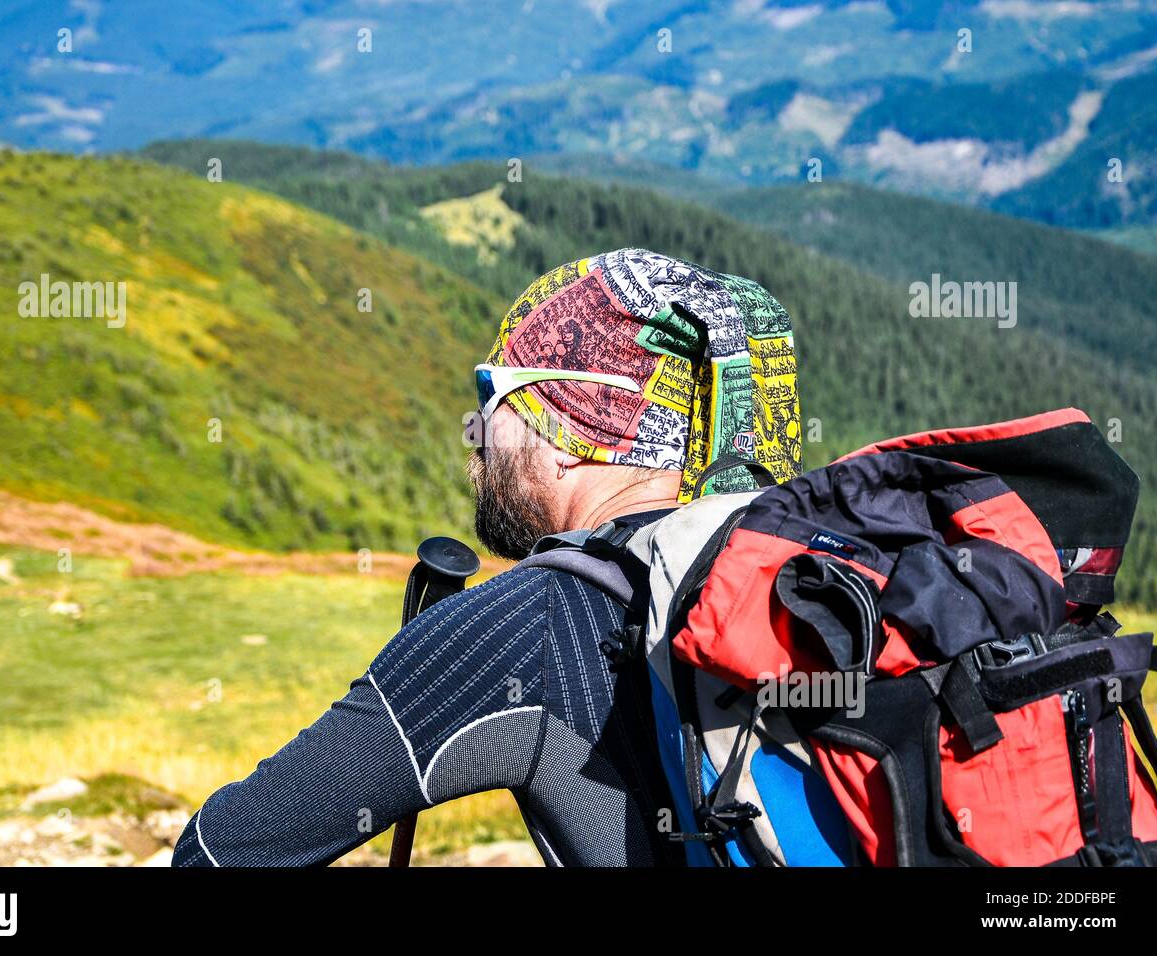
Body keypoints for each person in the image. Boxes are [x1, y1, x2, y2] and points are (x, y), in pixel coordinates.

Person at [172, 248, 801, 866]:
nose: (478, 427)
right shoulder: (819, 574)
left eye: (494, 389)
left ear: (572, 427)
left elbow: (218, 851)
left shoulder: (533, 621)